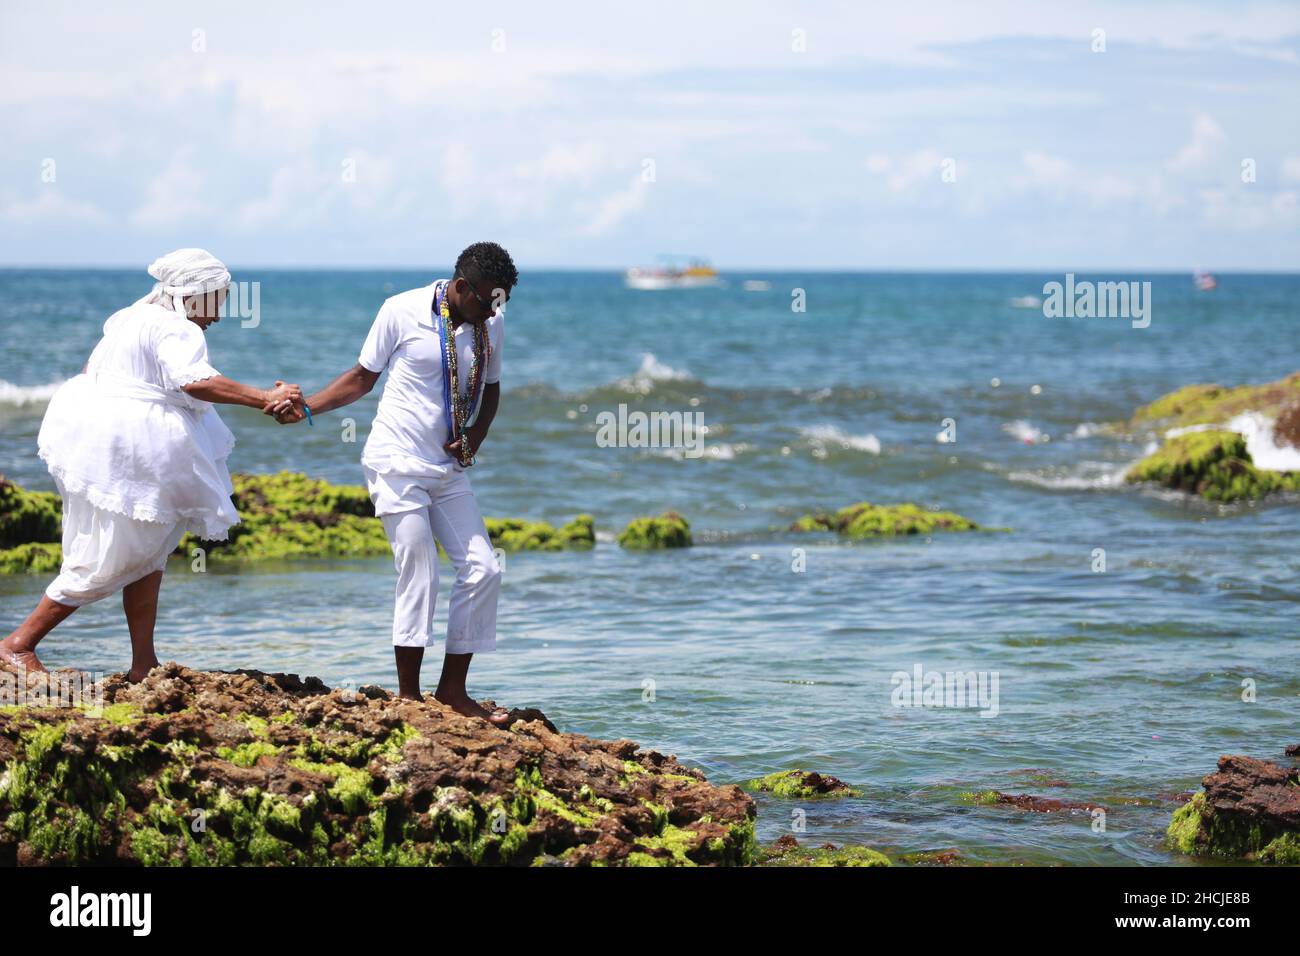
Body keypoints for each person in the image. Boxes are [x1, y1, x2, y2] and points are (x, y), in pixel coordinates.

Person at [0, 249, 304, 681]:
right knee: (113, 554)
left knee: (147, 552)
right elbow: (194, 381)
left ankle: (143, 663)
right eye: (218, 299)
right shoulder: (178, 328)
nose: (219, 313)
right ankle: (18, 643)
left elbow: (94, 369)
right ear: (195, 295)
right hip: (134, 449)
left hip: (95, 440)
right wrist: (264, 397)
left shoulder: (129, 317)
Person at [287, 242, 515, 721]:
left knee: (484, 569)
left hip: (448, 470)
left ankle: (452, 691)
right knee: (419, 568)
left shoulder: (491, 320)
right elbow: (361, 378)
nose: (492, 313)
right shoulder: (400, 310)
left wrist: (475, 435)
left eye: (501, 303)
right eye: (486, 303)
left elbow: (490, 390)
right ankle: (408, 698)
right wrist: (309, 406)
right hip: (395, 462)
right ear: (459, 287)